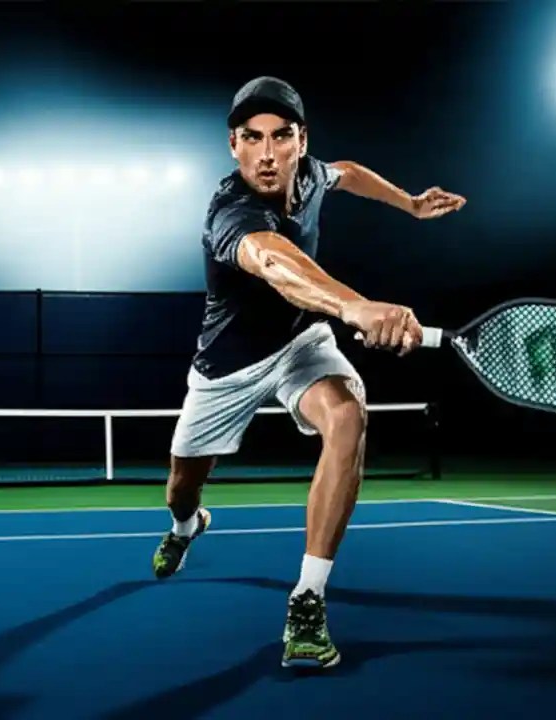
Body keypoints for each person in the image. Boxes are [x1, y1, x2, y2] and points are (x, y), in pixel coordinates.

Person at [151, 76, 466, 669]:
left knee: (348, 412)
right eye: (252, 138)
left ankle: (308, 599)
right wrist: (354, 305)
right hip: (228, 365)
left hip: (300, 340)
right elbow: (276, 262)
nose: (267, 153)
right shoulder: (231, 212)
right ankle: (187, 526)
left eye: (281, 137)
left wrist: (410, 203)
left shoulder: (313, 173)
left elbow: (346, 171)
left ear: (301, 141)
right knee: (181, 485)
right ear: (233, 146)